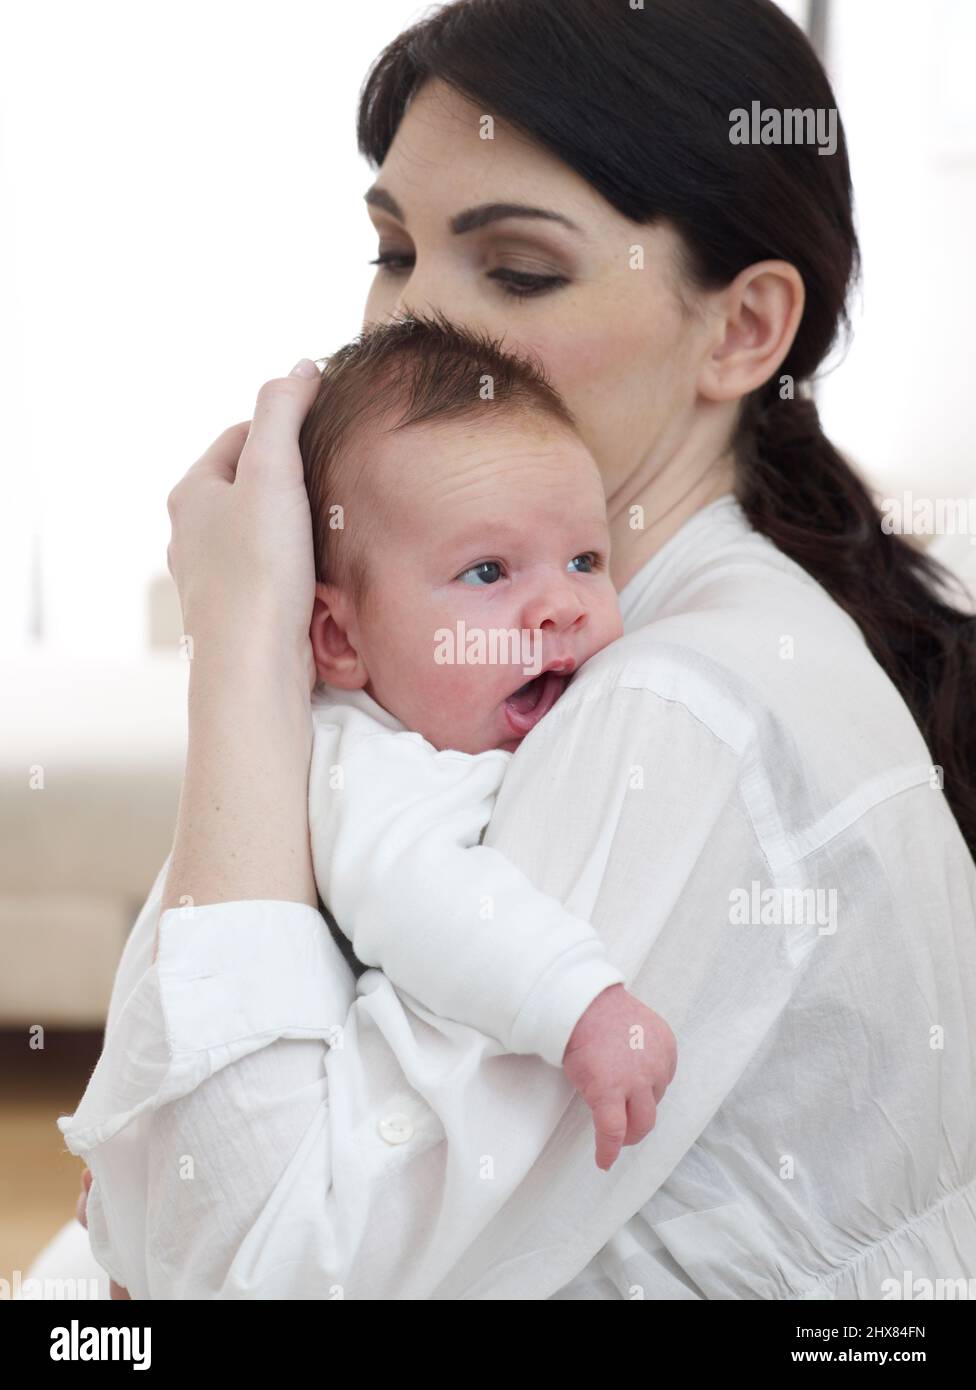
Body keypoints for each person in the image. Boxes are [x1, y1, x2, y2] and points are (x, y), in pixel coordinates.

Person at [61, 0, 976, 1299]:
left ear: (743, 330)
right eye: (393, 247)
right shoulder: (551, 659)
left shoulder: (682, 710)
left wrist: (243, 650)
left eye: (518, 267)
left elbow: (253, 1274)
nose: (409, 314)